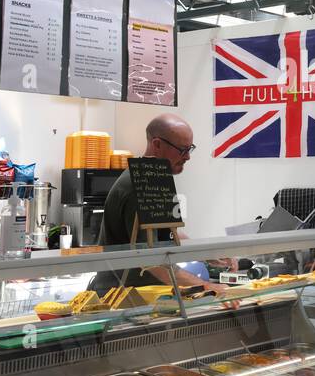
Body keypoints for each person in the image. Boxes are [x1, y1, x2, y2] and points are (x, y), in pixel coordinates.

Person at [94, 113, 226, 296]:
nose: (187, 157)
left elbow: (168, 232)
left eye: (190, 149)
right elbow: (151, 260)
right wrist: (205, 286)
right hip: (120, 296)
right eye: (182, 149)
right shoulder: (137, 185)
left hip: (146, 294)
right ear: (157, 144)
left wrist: (205, 253)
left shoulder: (157, 178)